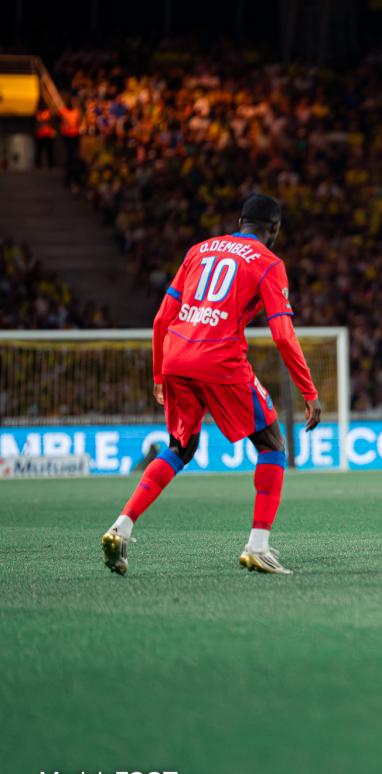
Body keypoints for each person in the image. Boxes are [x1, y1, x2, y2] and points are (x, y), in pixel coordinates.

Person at [101, 194, 321, 576]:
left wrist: (158, 374)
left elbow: (160, 319)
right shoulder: (270, 263)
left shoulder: (199, 250)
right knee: (272, 444)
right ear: (274, 230)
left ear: (240, 221)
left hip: (175, 356)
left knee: (179, 448)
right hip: (219, 359)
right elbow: (283, 335)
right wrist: (310, 391)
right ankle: (258, 545)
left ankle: (121, 526)